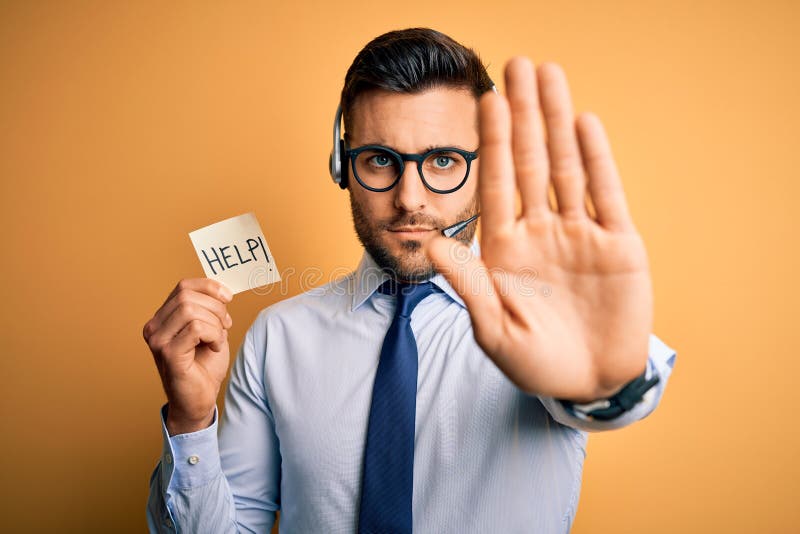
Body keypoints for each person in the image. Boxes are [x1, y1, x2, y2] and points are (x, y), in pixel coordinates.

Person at [144, 27, 677, 533]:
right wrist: (192, 420)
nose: (410, 198)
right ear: (341, 166)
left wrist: (606, 384)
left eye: (443, 160)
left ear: (488, 168)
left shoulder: (542, 316)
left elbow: (612, 384)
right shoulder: (276, 337)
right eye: (380, 160)